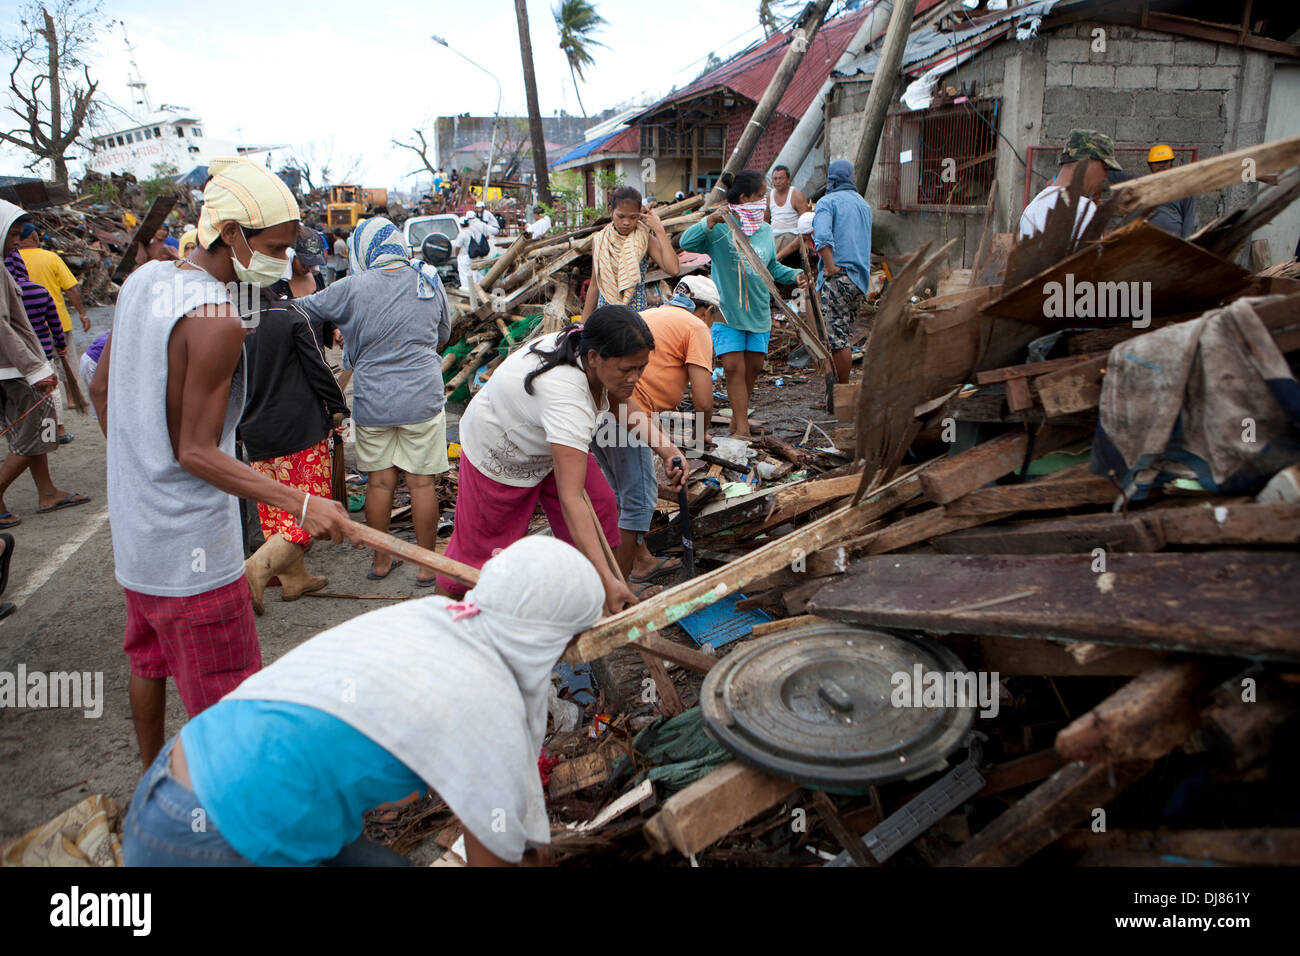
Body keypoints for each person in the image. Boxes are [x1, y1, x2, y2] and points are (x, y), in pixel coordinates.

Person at [89, 157, 356, 768]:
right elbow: (194, 450)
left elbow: (103, 390)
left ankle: (154, 781)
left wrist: (136, 468)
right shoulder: (218, 320)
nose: (283, 263)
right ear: (230, 233)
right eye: (274, 247)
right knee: (231, 698)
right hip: (193, 555)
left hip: (138, 543)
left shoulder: (144, 282)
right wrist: (302, 501)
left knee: (148, 661)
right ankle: (231, 822)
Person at [121, 536, 603, 867]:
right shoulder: (488, 697)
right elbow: (499, 853)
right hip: (210, 840)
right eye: (568, 644)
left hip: (170, 792)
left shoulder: (438, 615)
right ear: (546, 640)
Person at [436, 305, 686, 614]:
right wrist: (606, 579)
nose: (635, 378)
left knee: (602, 506)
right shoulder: (567, 396)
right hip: (500, 448)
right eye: (626, 370)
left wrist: (667, 450)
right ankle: (441, 615)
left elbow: (621, 402)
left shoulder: (586, 348)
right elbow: (571, 499)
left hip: (546, 441)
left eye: (641, 367)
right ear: (594, 357)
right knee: (479, 552)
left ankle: (598, 592)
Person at [296, 217, 452, 585]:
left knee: (380, 483)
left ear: (363, 249)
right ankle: (428, 565)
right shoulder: (427, 279)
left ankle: (381, 561)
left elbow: (301, 309)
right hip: (422, 398)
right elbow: (444, 332)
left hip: (374, 400)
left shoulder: (350, 286)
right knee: (422, 484)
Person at [238, 265, 350, 614]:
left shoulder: (230, 323)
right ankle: (256, 567)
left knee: (279, 515)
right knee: (309, 514)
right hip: (300, 431)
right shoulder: (289, 316)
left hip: (255, 436)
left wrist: (237, 430)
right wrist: (337, 407)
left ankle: (294, 579)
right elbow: (318, 368)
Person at [594, 275, 720, 583]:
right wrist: (701, 437)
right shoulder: (696, 327)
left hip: (601, 408)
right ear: (706, 311)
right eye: (714, 317)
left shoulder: (651, 315)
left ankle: (641, 560)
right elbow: (703, 401)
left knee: (620, 492)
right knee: (639, 498)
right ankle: (624, 585)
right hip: (628, 413)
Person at [679, 169, 809, 438]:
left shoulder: (764, 231)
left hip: (759, 311)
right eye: (761, 195)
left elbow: (771, 266)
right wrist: (709, 221)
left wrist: (795, 275)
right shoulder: (720, 229)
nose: (765, 200)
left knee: (754, 367)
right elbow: (685, 242)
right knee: (732, 367)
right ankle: (742, 429)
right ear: (746, 198)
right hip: (727, 311)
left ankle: (738, 418)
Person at [0, 245, 85, 530]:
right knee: (37, 433)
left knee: (27, 432)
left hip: (22, 369)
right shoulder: (34, 289)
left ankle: (47, 492)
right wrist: (37, 367)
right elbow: (11, 328)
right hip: (26, 369)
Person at [2, 204, 72, 446]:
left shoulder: (11, 284)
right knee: (48, 406)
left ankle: (45, 445)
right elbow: (53, 323)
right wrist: (58, 347)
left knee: (20, 421)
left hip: (22, 359)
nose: (16, 242)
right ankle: (56, 434)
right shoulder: (38, 290)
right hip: (36, 357)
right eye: (12, 235)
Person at [812, 159, 874, 384]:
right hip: (859, 280)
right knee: (843, 334)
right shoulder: (863, 204)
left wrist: (829, 267)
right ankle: (836, 391)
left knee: (837, 341)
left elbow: (821, 237)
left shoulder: (827, 202)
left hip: (838, 276)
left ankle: (841, 392)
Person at [17, 223, 91, 409]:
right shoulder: (50, 258)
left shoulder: (12, 260)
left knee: (39, 363)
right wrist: (82, 313)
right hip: (56, 320)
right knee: (65, 360)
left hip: (26, 324)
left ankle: (39, 400)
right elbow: (71, 288)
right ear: (34, 237)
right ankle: (72, 398)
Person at [582, 186, 679, 318]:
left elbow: (673, 269)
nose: (626, 222)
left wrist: (659, 229)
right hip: (605, 316)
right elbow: (594, 285)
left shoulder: (645, 239)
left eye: (633, 217)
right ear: (611, 210)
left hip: (636, 317)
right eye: (620, 216)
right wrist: (581, 327)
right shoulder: (600, 240)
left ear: (640, 214)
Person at [1019, 128, 1121, 242]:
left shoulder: (1032, 209)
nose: (1105, 176)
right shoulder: (1083, 209)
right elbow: (1094, 258)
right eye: (1105, 168)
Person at [1144, 144, 1196, 238]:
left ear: (1171, 163)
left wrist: (1186, 243)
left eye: (1165, 162)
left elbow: (1189, 218)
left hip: (1173, 242)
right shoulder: (1142, 188)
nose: (1161, 165)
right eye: (1157, 163)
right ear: (1150, 165)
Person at [269, 226, 327, 300]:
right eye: (303, 263)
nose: (308, 268)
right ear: (289, 256)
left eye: (312, 263)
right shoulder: (272, 281)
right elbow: (254, 308)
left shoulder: (317, 277)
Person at [766, 164, 808, 256]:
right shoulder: (769, 196)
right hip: (773, 235)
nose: (778, 181)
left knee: (782, 242)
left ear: (788, 180)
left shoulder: (796, 194)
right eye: (775, 179)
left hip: (791, 234)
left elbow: (806, 219)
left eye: (781, 178)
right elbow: (765, 221)